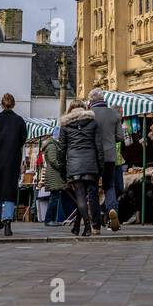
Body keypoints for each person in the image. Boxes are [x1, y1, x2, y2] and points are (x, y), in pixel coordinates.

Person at [0, 92, 28, 236]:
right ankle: (8, 222)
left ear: (1, 104)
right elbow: (23, 140)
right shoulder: (19, 121)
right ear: (13, 104)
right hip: (12, 159)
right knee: (9, 191)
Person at [59, 98, 104, 237]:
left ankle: (87, 226)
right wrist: (100, 166)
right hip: (91, 163)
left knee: (80, 196)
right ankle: (77, 227)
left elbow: (62, 149)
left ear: (70, 110)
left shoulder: (65, 126)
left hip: (74, 164)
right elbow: (99, 147)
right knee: (87, 196)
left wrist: (62, 168)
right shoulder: (93, 123)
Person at [89, 88, 122, 232]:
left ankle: (96, 224)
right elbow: (120, 137)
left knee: (93, 188)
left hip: (94, 156)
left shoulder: (89, 115)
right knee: (109, 185)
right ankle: (112, 210)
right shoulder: (114, 114)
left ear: (91, 101)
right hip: (110, 156)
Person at [41, 126, 70, 224]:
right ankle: (49, 219)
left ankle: (52, 219)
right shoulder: (52, 145)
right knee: (54, 198)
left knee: (55, 197)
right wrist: (63, 167)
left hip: (55, 174)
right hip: (54, 175)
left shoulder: (53, 144)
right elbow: (53, 160)